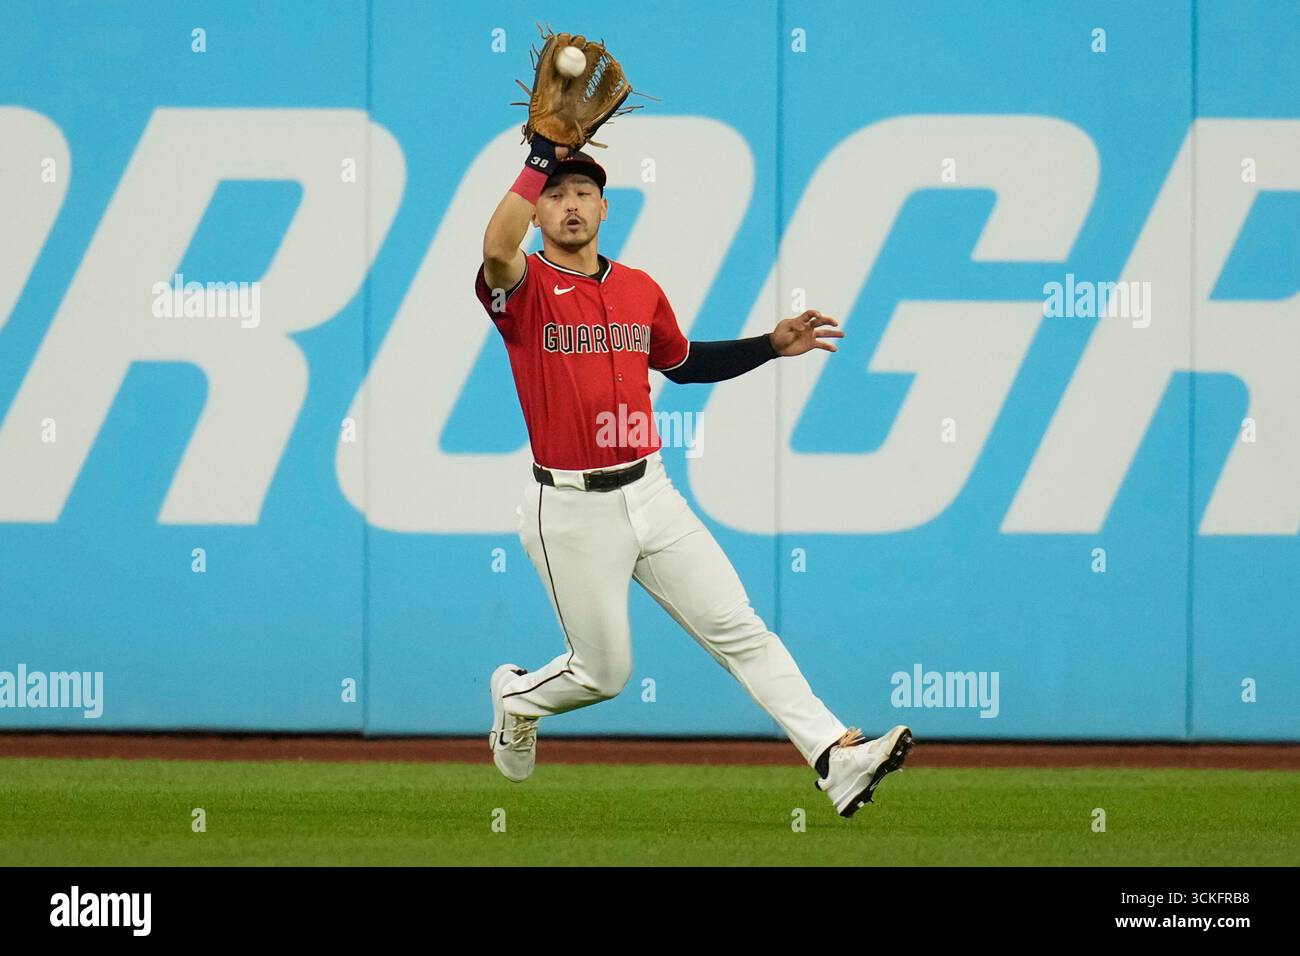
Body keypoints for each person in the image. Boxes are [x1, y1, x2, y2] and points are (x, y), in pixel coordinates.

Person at [474, 134, 912, 817]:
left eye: (583, 192)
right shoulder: (525, 288)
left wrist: (770, 345)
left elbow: (681, 363)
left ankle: (836, 755)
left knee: (738, 626)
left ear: (604, 207)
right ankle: (516, 698)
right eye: (555, 195)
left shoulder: (638, 288)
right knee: (605, 673)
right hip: (568, 507)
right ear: (536, 212)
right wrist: (538, 158)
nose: (570, 205)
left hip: (651, 489)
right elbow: (496, 251)